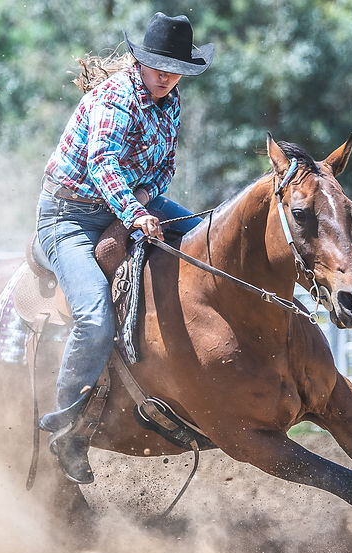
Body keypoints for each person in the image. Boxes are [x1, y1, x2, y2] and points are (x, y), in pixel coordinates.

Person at [36, 12, 214, 484]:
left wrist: (137, 205)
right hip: (68, 216)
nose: (166, 75)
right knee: (94, 316)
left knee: (210, 247)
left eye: (174, 69)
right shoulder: (117, 95)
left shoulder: (169, 102)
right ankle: (67, 425)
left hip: (129, 203)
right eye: (158, 65)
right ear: (141, 61)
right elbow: (102, 161)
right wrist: (133, 215)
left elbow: (163, 168)